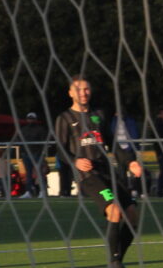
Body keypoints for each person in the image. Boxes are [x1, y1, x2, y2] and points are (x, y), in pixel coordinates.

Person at [55, 75, 143, 268]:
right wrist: (75, 161)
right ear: (70, 93)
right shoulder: (65, 118)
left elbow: (113, 144)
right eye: (78, 89)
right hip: (88, 176)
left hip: (108, 172)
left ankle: (118, 257)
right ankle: (114, 262)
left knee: (132, 214)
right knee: (114, 209)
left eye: (86, 89)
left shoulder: (100, 115)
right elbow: (60, 149)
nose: (83, 93)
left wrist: (130, 162)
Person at [20, 112, 48, 198]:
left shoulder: (40, 129)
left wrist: (42, 153)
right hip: (27, 153)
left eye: (32, 118)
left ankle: (42, 191)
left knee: (39, 173)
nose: (30, 120)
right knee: (29, 173)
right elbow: (19, 140)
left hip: (36, 153)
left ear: (35, 119)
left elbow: (43, 141)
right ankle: (29, 191)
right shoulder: (24, 129)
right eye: (29, 118)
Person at [149, 108, 163, 197]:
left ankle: (162, 189)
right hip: (161, 149)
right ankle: (160, 190)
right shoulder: (157, 123)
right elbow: (157, 135)